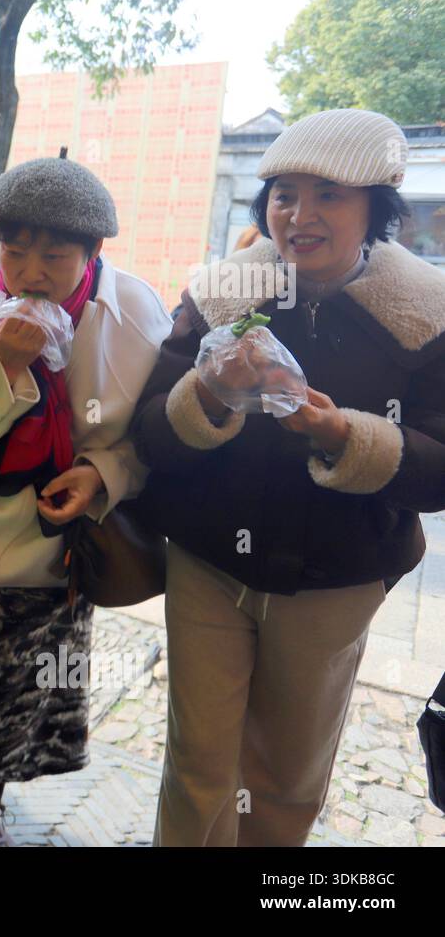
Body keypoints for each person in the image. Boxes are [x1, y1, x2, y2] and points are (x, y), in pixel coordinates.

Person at [129, 108, 445, 846]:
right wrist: (206, 391)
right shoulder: (223, 293)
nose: (299, 215)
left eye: (328, 194)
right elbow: (147, 434)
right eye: (283, 193)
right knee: (197, 763)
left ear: (377, 206)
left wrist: (347, 436)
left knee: (288, 777)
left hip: (339, 580)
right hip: (208, 566)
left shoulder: (424, 315)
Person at [0, 154, 172, 846]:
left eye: (55, 254)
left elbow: (152, 438)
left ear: (94, 251)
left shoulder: (138, 317)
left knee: (21, 692)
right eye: (15, 250)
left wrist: (103, 474)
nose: (30, 272)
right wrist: (3, 365)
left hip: (58, 544)